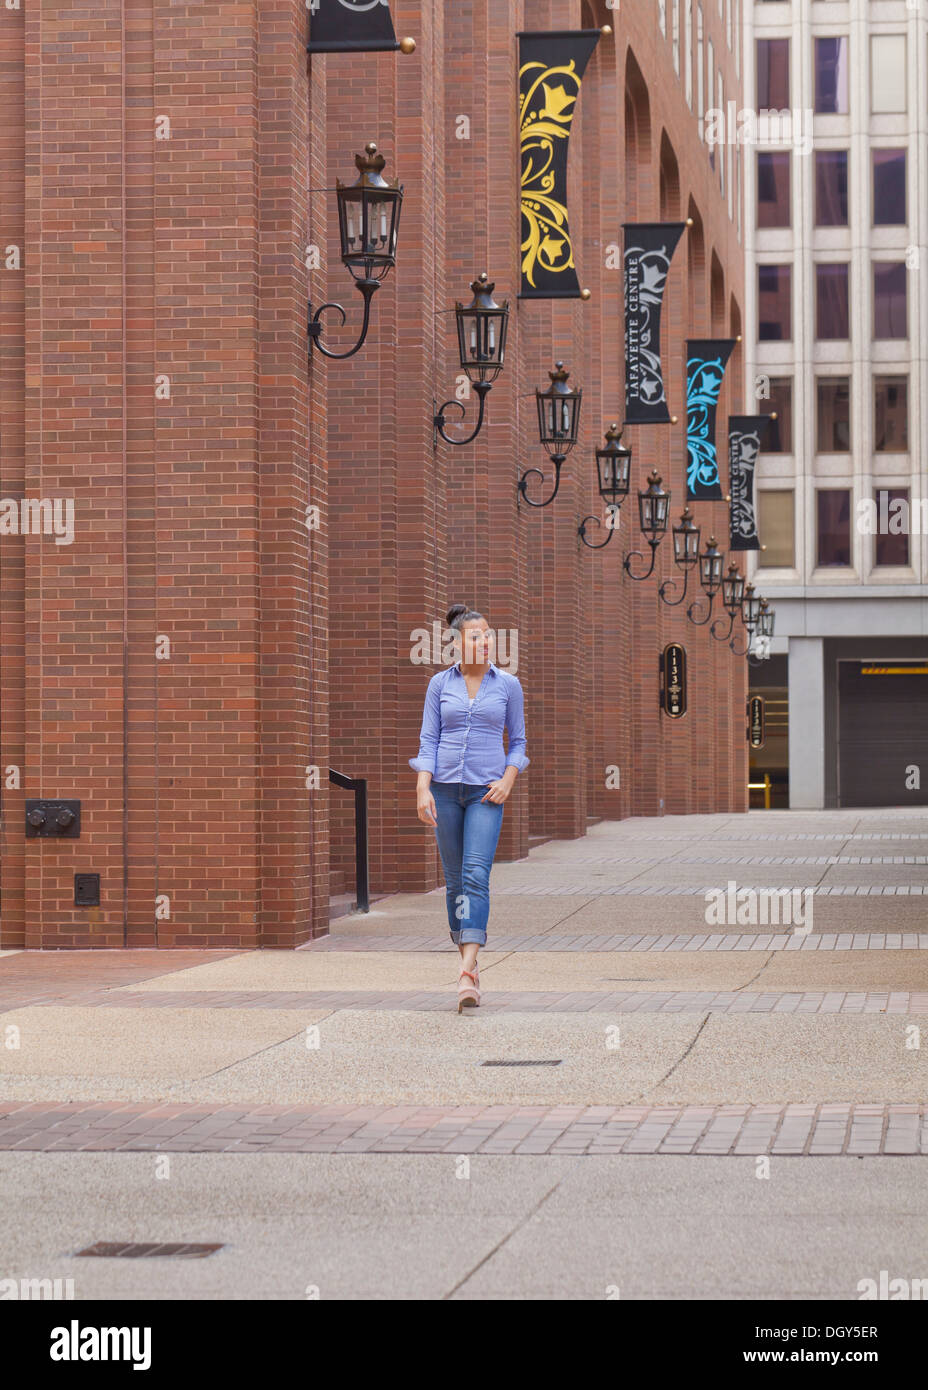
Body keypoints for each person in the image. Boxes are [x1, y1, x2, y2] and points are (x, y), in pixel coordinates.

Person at [410, 604, 529, 1012]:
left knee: (476, 874)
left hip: (485, 792)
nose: (485, 641)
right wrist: (423, 788)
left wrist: (508, 779)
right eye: (475, 636)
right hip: (443, 791)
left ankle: (467, 968)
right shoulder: (439, 685)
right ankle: (468, 961)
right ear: (457, 644)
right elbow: (429, 740)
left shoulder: (508, 685)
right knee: (456, 880)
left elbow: (518, 743)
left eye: (488, 634)